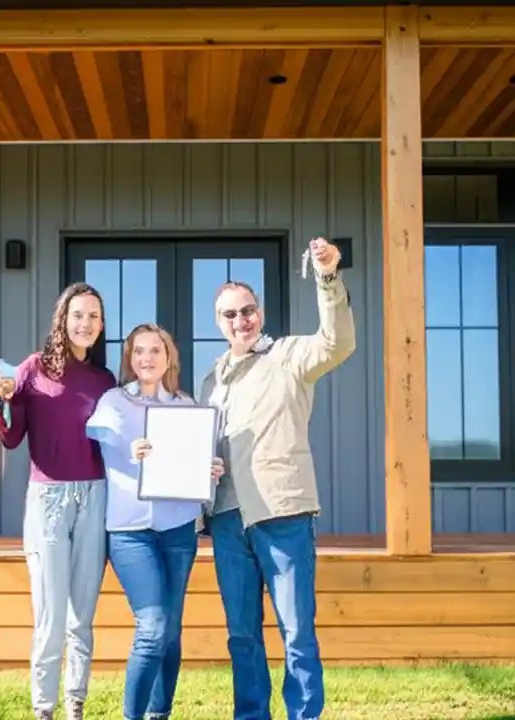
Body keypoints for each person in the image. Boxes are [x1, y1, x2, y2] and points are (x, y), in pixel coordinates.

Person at [200, 236, 355, 720]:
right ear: (218, 323)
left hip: (283, 512)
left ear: (260, 313)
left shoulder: (290, 356)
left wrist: (328, 278)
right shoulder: (211, 380)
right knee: (242, 634)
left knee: (296, 630)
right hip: (227, 520)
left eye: (248, 310)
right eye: (230, 314)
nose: (240, 320)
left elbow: (338, 342)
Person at [0, 282, 117, 720]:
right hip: (49, 501)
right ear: (62, 319)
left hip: (95, 498)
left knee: (82, 616)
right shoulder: (33, 370)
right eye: (78, 314)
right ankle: (44, 708)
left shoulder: (105, 380)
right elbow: (12, 436)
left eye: (94, 316)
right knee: (52, 617)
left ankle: (75, 703)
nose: (86, 323)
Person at [84, 323, 224, 720]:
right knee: (152, 627)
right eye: (139, 351)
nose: (147, 358)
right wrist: (129, 445)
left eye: (156, 351)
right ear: (129, 358)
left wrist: (208, 468)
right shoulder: (114, 402)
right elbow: (95, 431)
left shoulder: (186, 406)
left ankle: (158, 714)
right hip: (130, 533)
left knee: (172, 632)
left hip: (179, 530)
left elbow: (197, 458)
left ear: (168, 358)